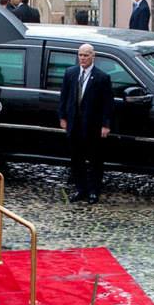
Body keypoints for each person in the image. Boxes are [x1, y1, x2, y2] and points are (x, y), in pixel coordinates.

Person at [58, 42, 115, 204]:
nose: (82, 58)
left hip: (92, 126)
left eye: (86, 55)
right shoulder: (70, 73)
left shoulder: (102, 77)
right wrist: (62, 117)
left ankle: (94, 191)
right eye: (80, 55)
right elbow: (64, 97)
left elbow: (107, 104)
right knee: (77, 159)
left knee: (95, 160)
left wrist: (105, 125)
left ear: (92, 56)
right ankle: (81, 189)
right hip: (74, 124)